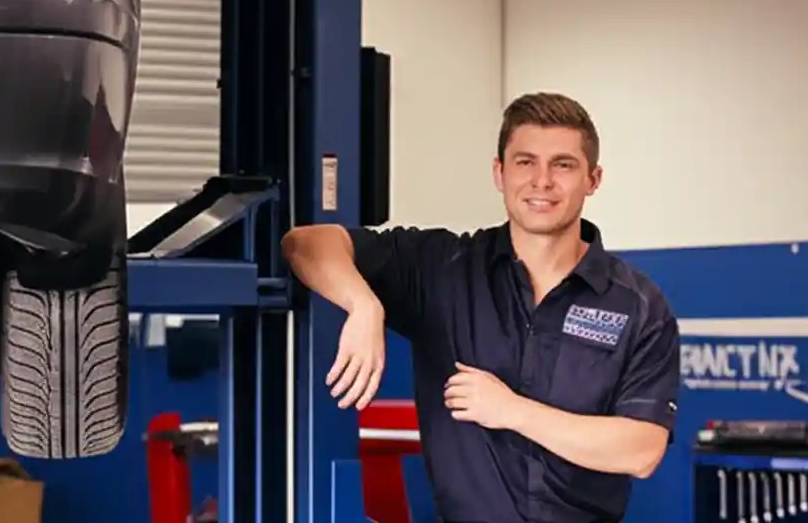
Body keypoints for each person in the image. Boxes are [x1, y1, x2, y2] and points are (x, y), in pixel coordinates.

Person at [282, 92, 681, 523]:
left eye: (563, 165)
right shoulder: (443, 269)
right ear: (499, 173)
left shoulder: (637, 305)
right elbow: (305, 243)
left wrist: (511, 411)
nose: (542, 181)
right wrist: (363, 305)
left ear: (593, 179)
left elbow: (641, 451)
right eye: (525, 162)